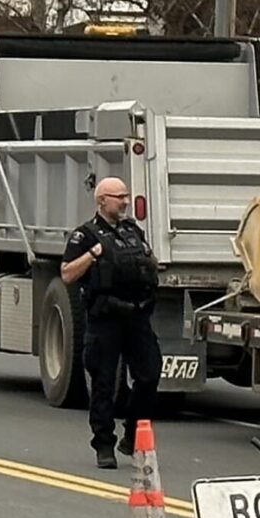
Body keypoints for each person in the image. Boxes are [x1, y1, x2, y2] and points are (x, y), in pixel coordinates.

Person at [60, 176, 161, 472]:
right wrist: (93, 255)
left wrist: (148, 263)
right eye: (119, 197)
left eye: (126, 196)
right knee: (103, 384)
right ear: (102, 200)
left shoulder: (132, 230)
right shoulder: (85, 235)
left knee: (150, 374)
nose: (125, 201)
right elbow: (67, 274)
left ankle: (132, 432)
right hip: (105, 319)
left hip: (137, 315)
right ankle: (104, 444)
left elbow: (150, 259)